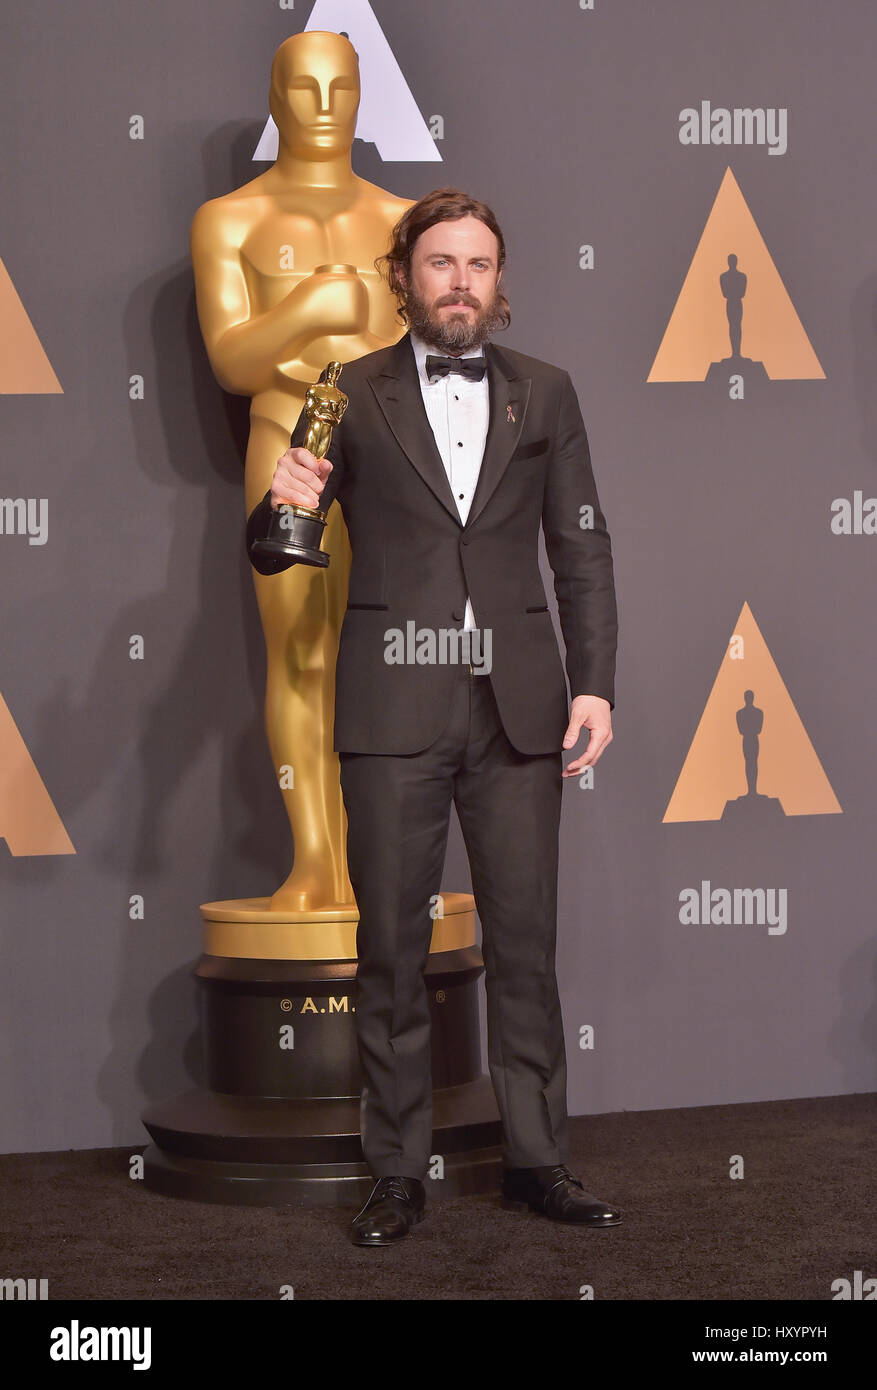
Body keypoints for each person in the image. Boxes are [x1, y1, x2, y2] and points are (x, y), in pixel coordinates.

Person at [247, 188, 621, 1246]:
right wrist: (286, 501)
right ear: (403, 275)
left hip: (519, 708)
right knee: (391, 954)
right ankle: (397, 1171)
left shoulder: (547, 393)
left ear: (500, 285)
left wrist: (592, 682)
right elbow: (278, 545)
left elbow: (582, 548)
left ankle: (539, 1158)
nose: (459, 281)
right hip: (391, 706)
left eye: (478, 264)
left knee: (527, 946)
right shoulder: (343, 389)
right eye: (440, 262)